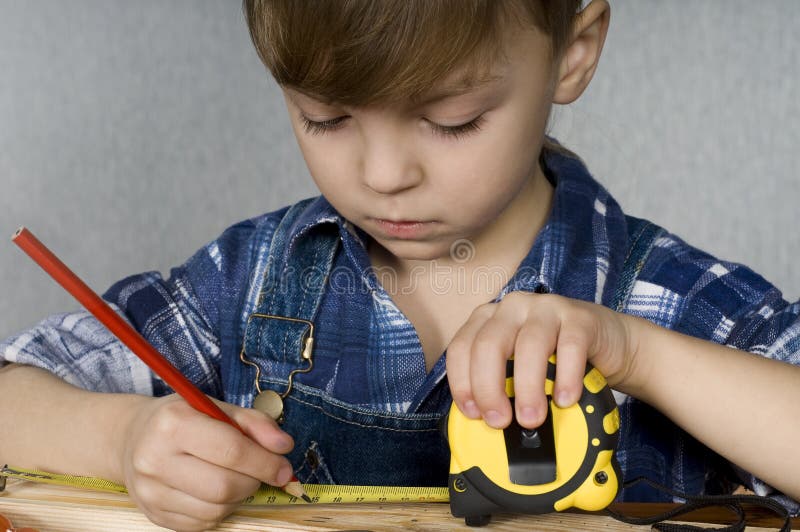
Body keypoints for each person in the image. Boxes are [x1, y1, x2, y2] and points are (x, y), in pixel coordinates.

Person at [1, 1, 799, 530]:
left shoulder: (658, 297)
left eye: (452, 121)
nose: (383, 174)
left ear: (575, 50)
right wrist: (124, 440)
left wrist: (639, 354)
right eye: (326, 117)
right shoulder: (251, 285)